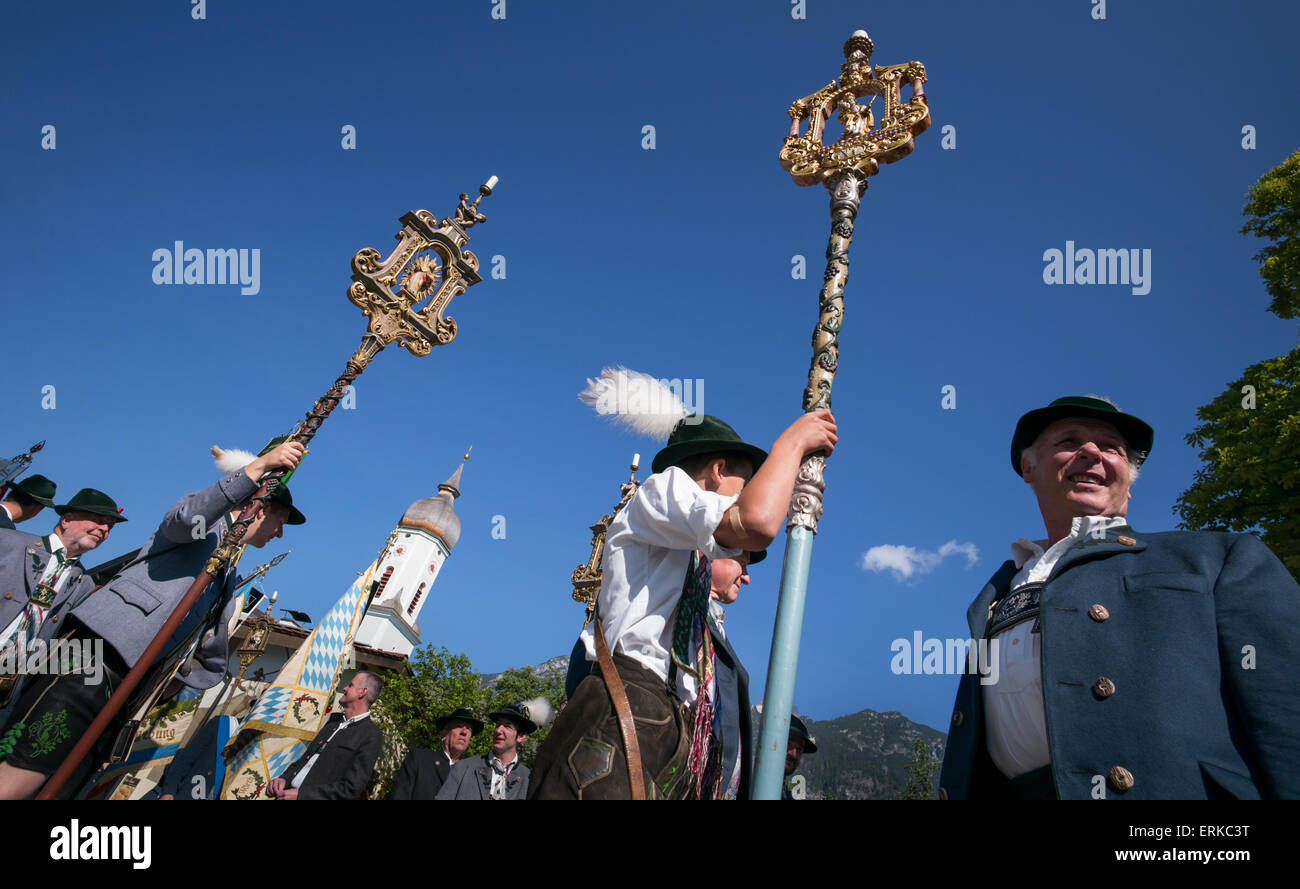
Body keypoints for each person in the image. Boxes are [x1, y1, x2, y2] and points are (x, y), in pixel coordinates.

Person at [938, 395, 1300, 800]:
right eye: (1069, 441)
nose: (1091, 452)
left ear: (1127, 481)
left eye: (1110, 447)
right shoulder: (997, 591)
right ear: (1029, 468)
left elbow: (1286, 713)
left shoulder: (1217, 559)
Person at [529, 410, 836, 799]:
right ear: (718, 470)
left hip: (667, 723)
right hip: (630, 704)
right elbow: (756, 522)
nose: (744, 495)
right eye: (743, 485)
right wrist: (790, 444)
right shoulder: (661, 488)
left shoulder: (687, 556)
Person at [0, 442, 304, 799]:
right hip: (95, 656)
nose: (279, 533)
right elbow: (186, 517)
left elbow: (207, 643)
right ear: (258, 507)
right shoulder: (204, 531)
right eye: (280, 522)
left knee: (65, 778)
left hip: (133, 682)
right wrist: (256, 469)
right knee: (32, 759)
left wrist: (186, 676)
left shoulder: (227, 567)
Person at [0, 489, 126, 720]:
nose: (105, 530)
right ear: (66, 519)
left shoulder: (84, 583)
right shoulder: (8, 542)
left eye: (109, 527)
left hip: (8, 689)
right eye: (99, 521)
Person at [269, 671, 384, 800]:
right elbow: (306, 759)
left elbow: (350, 788)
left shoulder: (371, 735)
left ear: (362, 692)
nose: (344, 688)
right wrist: (284, 779)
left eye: (350, 685)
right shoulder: (334, 721)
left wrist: (302, 796)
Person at [436, 704, 535, 800]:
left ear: (521, 736)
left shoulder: (528, 779)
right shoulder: (463, 767)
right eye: (498, 725)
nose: (498, 730)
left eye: (507, 726)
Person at [387, 707, 483, 800]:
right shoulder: (419, 759)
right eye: (458, 726)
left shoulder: (471, 777)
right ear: (444, 733)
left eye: (469, 729)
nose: (464, 732)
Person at [782, 714, 817, 800]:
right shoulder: (748, 781)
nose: (793, 754)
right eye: (788, 743)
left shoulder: (786, 795)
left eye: (799, 749)